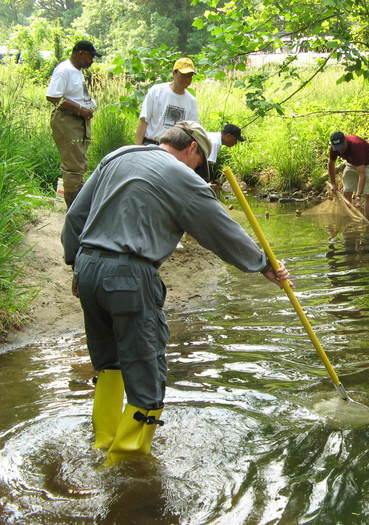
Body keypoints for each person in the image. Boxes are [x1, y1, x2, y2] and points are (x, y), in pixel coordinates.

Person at [62, 120, 290, 466]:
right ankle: (126, 467)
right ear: (192, 149)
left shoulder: (118, 156)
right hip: (130, 277)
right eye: (199, 163)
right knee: (147, 374)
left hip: (88, 268)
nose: (198, 170)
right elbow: (220, 230)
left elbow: (76, 216)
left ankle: (102, 445)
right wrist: (262, 264)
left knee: (109, 363)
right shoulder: (182, 177)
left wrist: (75, 264)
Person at [46, 40, 101, 208]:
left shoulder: (76, 71)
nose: (92, 60)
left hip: (78, 121)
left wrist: (89, 105)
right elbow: (53, 97)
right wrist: (80, 109)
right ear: (80, 53)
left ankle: (77, 208)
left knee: (79, 164)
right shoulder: (64, 70)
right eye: (91, 56)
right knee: (73, 168)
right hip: (68, 121)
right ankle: (74, 212)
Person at [135, 58, 199, 146]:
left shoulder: (191, 101)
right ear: (174, 73)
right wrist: (138, 147)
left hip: (174, 149)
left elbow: (192, 131)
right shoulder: (157, 91)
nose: (187, 80)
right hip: (150, 144)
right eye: (184, 75)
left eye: (190, 76)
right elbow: (143, 120)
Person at [328, 131, 369, 219]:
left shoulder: (356, 147)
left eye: (341, 147)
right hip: (352, 162)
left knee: (368, 195)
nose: (340, 150)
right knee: (347, 191)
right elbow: (331, 163)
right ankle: (347, 218)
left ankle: (368, 222)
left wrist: (358, 196)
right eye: (337, 148)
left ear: (345, 141)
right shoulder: (334, 148)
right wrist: (333, 183)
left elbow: (362, 175)